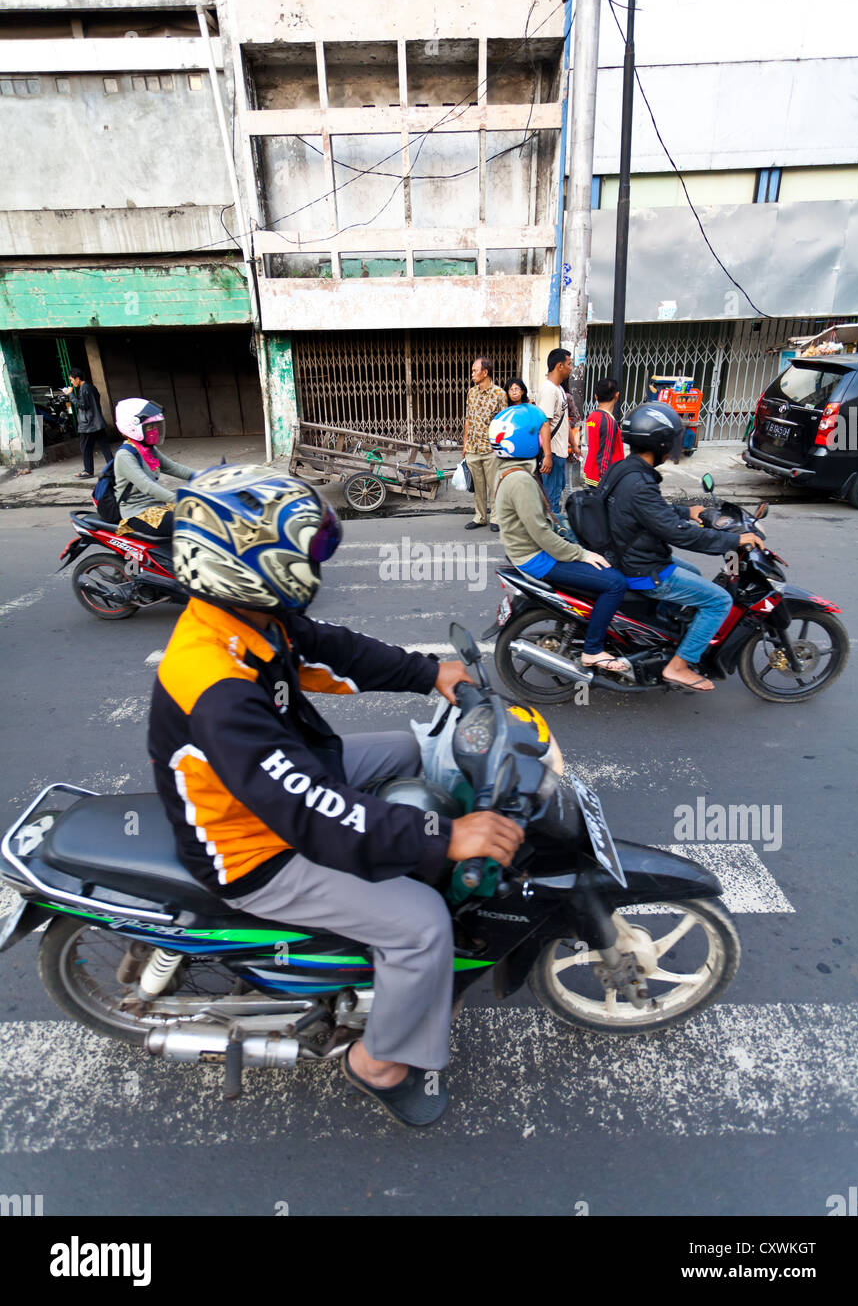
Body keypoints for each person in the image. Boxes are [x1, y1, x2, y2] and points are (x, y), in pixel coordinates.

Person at [148, 466, 523, 1127]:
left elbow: (336, 651)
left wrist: (429, 671)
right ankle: (376, 1064)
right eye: (306, 551)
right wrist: (445, 838)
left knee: (415, 752)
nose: (316, 563)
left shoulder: (256, 619)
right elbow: (308, 810)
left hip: (291, 774)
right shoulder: (214, 682)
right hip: (253, 846)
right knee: (421, 925)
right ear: (247, 562)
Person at [605, 402, 765, 692]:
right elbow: (679, 535)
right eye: (672, 441)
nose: (674, 448)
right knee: (719, 601)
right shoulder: (640, 482)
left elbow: (651, 513)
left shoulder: (626, 469)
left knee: (690, 570)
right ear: (659, 442)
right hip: (641, 567)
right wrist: (732, 540)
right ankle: (678, 666)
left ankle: (664, 634)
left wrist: (687, 511)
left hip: (625, 553)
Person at [491, 405, 630, 674]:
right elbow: (541, 534)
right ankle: (592, 651)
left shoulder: (510, 470)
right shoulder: (520, 480)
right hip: (536, 558)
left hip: (528, 552)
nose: (544, 439)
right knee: (614, 583)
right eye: (540, 433)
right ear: (525, 438)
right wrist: (580, 554)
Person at [112, 398, 195, 538]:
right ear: (133, 428)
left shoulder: (147, 449)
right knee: (192, 523)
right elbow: (147, 486)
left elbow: (174, 468)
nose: (155, 431)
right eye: (150, 427)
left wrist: (207, 476)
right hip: (138, 512)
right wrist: (178, 498)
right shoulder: (124, 455)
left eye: (155, 426)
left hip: (157, 505)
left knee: (204, 514)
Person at [461, 356, 508, 532]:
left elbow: (503, 423)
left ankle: (496, 518)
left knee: (494, 485)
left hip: (491, 449)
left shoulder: (500, 394)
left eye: (475, 370)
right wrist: (464, 445)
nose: (472, 373)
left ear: (485, 372)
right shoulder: (471, 393)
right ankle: (480, 517)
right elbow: (468, 419)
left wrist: (501, 448)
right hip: (473, 448)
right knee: (478, 487)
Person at [537, 348, 572, 515]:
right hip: (553, 454)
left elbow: (563, 420)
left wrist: (573, 445)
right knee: (551, 500)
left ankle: (552, 532)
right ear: (559, 366)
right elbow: (545, 424)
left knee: (555, 494)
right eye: (569, 364)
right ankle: (551, 535)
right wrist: (548, 456)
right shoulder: (549, 390)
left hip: (560, 453)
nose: (571, 367)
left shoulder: (559, 389)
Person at [62, 368, 112, 479]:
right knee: (105, 447)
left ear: (77, 378)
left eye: (71, 380)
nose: (71, 382)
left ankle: (88, 471)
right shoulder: (92, 387)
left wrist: (70, 395)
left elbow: (83, 405)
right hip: (97, 422)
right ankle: (113, 468)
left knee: (85, 448)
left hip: (88, 424)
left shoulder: (84, 389)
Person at [583, 376, 625, 488]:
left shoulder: (591, 417)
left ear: (596, 396)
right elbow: (605, 455)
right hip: (603, 479)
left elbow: (590, 443)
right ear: (617, 395)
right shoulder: (609, 422)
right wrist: (605, 482)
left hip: (591, 473)